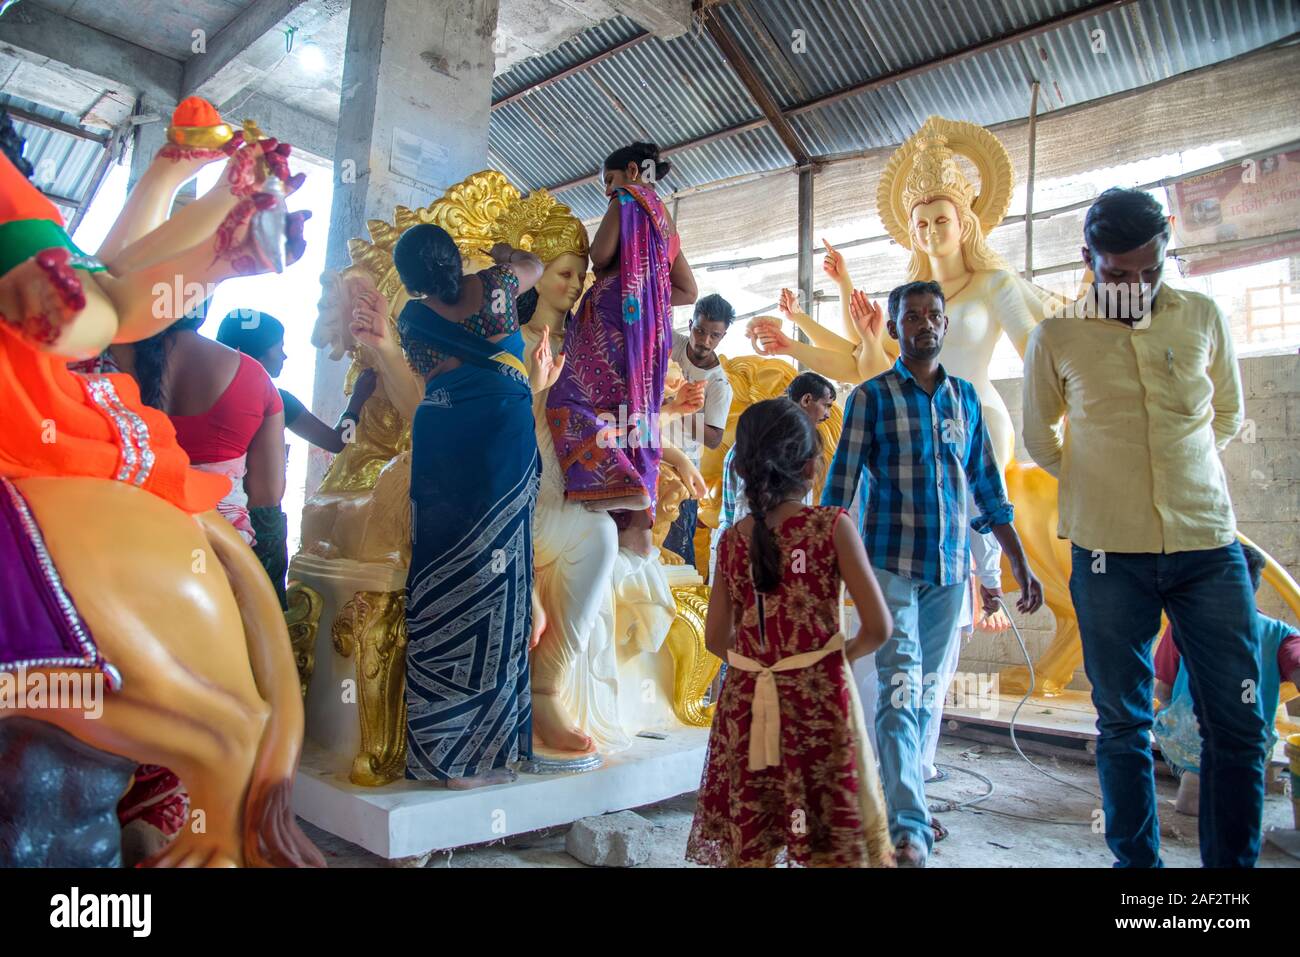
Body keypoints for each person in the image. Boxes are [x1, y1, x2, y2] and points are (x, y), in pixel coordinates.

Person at [1021, 187, 1265, 868]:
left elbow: (1224, 415)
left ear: (1166, 254)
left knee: (1238, 722)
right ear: (1087, 261)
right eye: (1117, 274)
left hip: (1207, 545)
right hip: (1108, 556)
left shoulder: (1203, 315)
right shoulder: (1058, 336)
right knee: (1124, 724)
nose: (1137, 286)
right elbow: (1040, 439)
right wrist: (1107, 481)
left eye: (1151, 270)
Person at [822, 280, 1042, 867]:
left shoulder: (965, 400)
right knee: (898, 690)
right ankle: (909, 827)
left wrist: (1016, 558)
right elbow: (839, 488)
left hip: (949, 569)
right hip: (889, 565)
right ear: (894, 328)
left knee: (923, 693)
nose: (924, 324)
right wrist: (821, 566)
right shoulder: (869, 398)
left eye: (934, 315)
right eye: (912, 316)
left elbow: (987, 488)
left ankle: (904, 800)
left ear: (945, 326)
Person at [349, 223, 546, 789]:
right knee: (500, 584)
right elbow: (531, 260)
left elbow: (420, 381)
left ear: (410, 281)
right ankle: (488, 751)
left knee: (438, 581)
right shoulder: (501, 285)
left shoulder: (412, 319)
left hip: (444, 441)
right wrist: (506, 252)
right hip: (500, 440)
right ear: (457, 259)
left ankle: (446, 755)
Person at [686, 398, 895, 868]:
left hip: (745, 706)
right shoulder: (832, 527)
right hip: (816, 704)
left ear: (740, 467)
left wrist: (760, 664)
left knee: (754, 833)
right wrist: (832, 659)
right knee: (825, 836)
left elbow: (715, 639)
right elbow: (879, 627)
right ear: (809, 465)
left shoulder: (732, 540)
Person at [546, 141, 698, 557]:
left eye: (608, 181)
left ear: (631, 171)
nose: (607, 190)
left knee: (569, 397)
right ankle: (635, 508)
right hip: (650, 334)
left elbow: (599, 255)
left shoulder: (627, 197)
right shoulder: (667, 226)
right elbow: (687, 290)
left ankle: (616, 483)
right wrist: (647, 295)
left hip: (612, 317)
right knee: (636, 407)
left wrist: (625, 290)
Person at [1154, 543, 1300, 816]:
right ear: (1254, 585)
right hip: (1250, 741)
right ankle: (1230, 782)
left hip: (1192, 739)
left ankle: (1193, 777)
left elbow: (1163, 691)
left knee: (1162, 712)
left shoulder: (1183, 625)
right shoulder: (1281, 633)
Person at [710, 370, 834, 580]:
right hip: (755, 545)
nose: (828, 414)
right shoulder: (830, 527)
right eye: (826, 405)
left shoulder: (734, 541)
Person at [216, 309, 377, 454]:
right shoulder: (276, 400)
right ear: (259, 353)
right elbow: (336, 442)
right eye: (279, 347)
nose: (283, 356)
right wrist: (357, 400)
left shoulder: (200, 389)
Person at [662, 293, 734, 565]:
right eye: (699, 331)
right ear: (690, 323)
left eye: (714, 335)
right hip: (649, 454)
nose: (704, 341)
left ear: (723, 336)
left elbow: (714, 439)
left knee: (678, 551)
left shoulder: (718, 385)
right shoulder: (672, 342)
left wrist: (679, 406)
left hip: (682, 472)